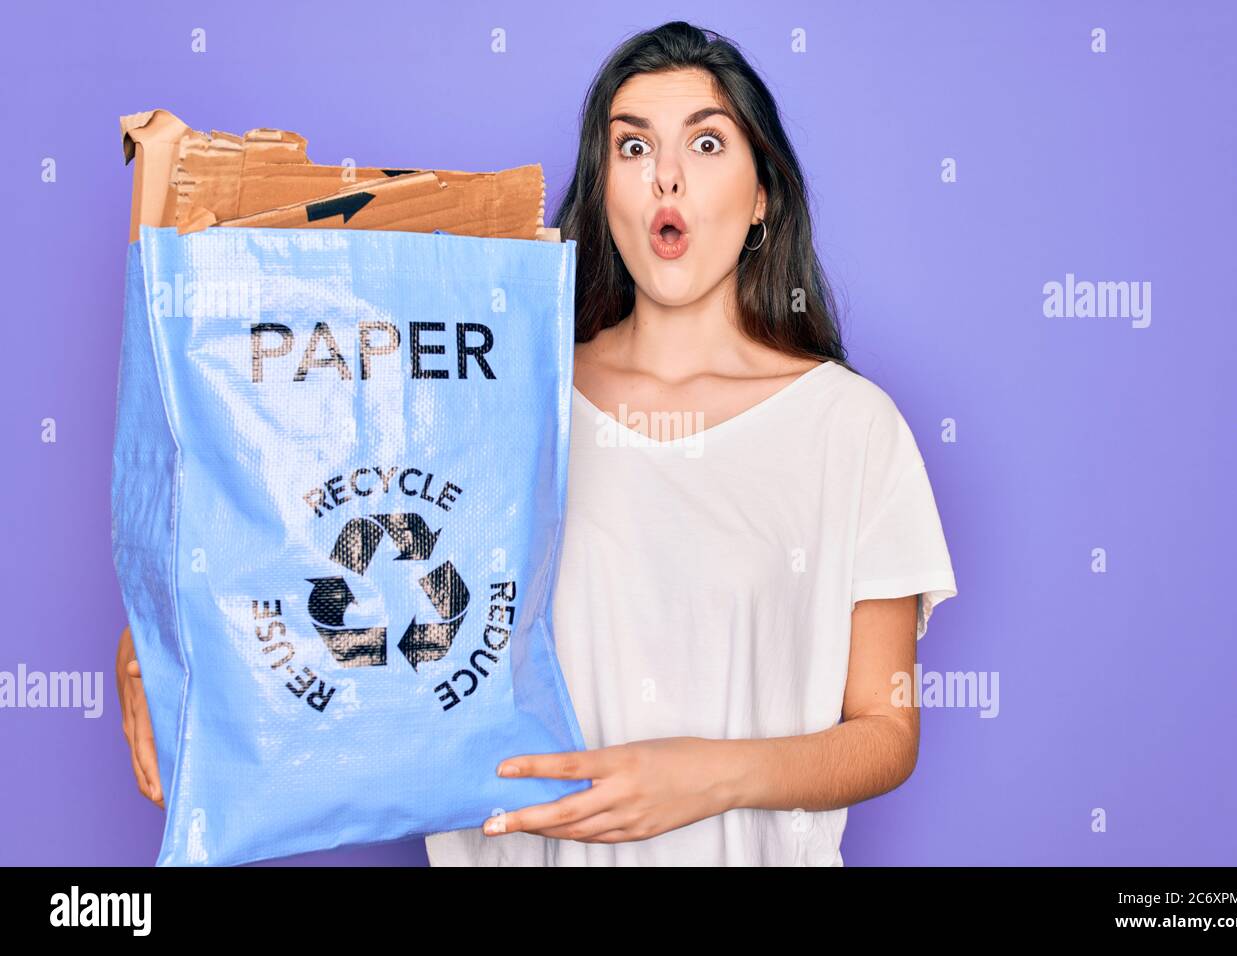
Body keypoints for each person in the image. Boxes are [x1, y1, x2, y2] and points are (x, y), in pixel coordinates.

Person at [116, 20, 958, 866]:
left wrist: (713, 777)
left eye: (706, 143)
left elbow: (885, 732)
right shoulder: (497, 395)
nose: (666, 174)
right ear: (605, 191)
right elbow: (309, 514)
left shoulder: (851, 428)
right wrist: (163, 628)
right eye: (632, 149)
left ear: (764, 195)